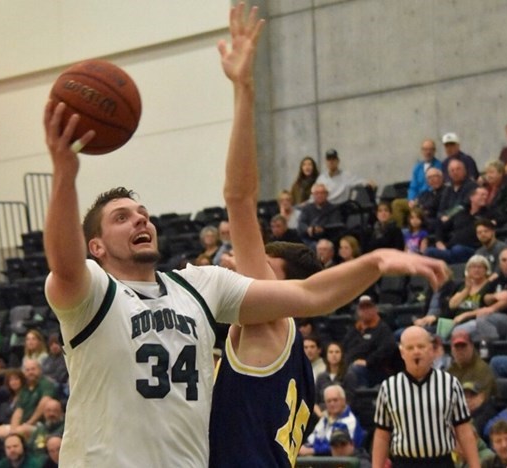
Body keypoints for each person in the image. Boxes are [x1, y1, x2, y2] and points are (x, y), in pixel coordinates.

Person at [42, 5, 444, 465]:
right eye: (122, 217)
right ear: (95, 246)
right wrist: (64, 176)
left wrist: (374, 262)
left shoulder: (203, 286)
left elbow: (301, 278)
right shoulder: (94, 291)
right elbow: (65, 263)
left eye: (144, 213)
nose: (140, 220)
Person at [210, 14, 328, 465]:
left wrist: (244, 92)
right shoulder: (294, 356)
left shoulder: (268, 320)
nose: (243, 275)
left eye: (259, 271)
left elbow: (239, 198)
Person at [372, 326, 480, 468]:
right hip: (404, 463)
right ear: (402, 352)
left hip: (441, 462)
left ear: (431, 349)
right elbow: (382, 435)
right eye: (410, 348)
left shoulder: (450, 384)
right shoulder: (389, 387)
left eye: (421, 346)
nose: (416, 351)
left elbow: (464, 430)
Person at [343, 295, 399, 388]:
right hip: (350, 366)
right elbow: (345, 346)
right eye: (362, 308)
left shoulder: (383, 329)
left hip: (374, 370)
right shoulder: (354, 329)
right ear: (358, 311)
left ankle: (363, 397)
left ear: (375, 309)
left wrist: (368, 361)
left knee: (355, 370)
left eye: (368, 307)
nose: (365, 311)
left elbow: (388, 347)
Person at [426, 187, 490, 264]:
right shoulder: (460, 212)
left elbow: (503, 218)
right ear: (472, 197)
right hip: (450, 248)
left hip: (472, 249)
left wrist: (494, 221)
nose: (485, 197)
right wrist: (439, 241)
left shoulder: (488, 213)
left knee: (458, 250)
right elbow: (441, 225)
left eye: (486, 195)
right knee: (429, 251)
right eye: (482, 195)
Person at [300, 385, 364, 456]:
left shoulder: (350, 421)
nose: (332, 404)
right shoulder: (325, 418)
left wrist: (312, 450)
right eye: (329, 401)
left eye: (335, 400)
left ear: (343, 400)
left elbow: (338, 447)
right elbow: (312, 439)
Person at [447, 329, 497, 402]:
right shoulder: (450, 370)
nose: (460, 351)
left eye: (463, 346)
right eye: (457, 347)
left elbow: (478, 400)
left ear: (471, 346)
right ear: (452, 349)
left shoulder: (482, 370)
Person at [297, 183, 343, 248]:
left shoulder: (334, 209)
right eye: (317, 193)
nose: (319, 195)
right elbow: (301, 223)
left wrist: (322, 228)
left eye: (322, 193)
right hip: (309, 239)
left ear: (327, 194)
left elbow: (336, 225)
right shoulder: (307, 208)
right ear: (313, 195)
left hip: (327, 239)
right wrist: (308, 229)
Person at [483, 160, 507, 226]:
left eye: (491, 172)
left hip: (501, 222)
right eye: (486, 173)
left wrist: (495, 221)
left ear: (501, 173)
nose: (488, 176)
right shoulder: (485, 188)